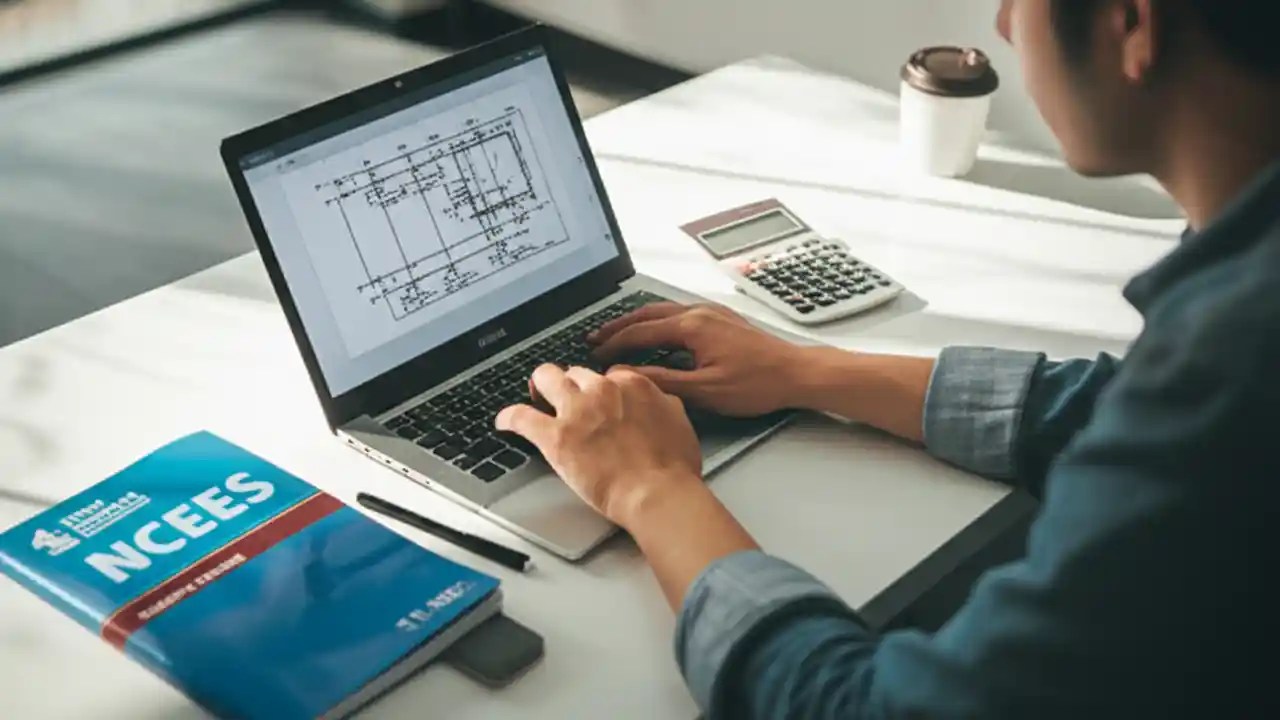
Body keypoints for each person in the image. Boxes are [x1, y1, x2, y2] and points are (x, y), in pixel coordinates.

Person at [495, 0, 1280, 716]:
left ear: (1132, 23)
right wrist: (808, 369)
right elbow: (1100, 408)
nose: (1005, 27)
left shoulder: (1231, 366)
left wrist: (650, 488)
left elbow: (860, 708)